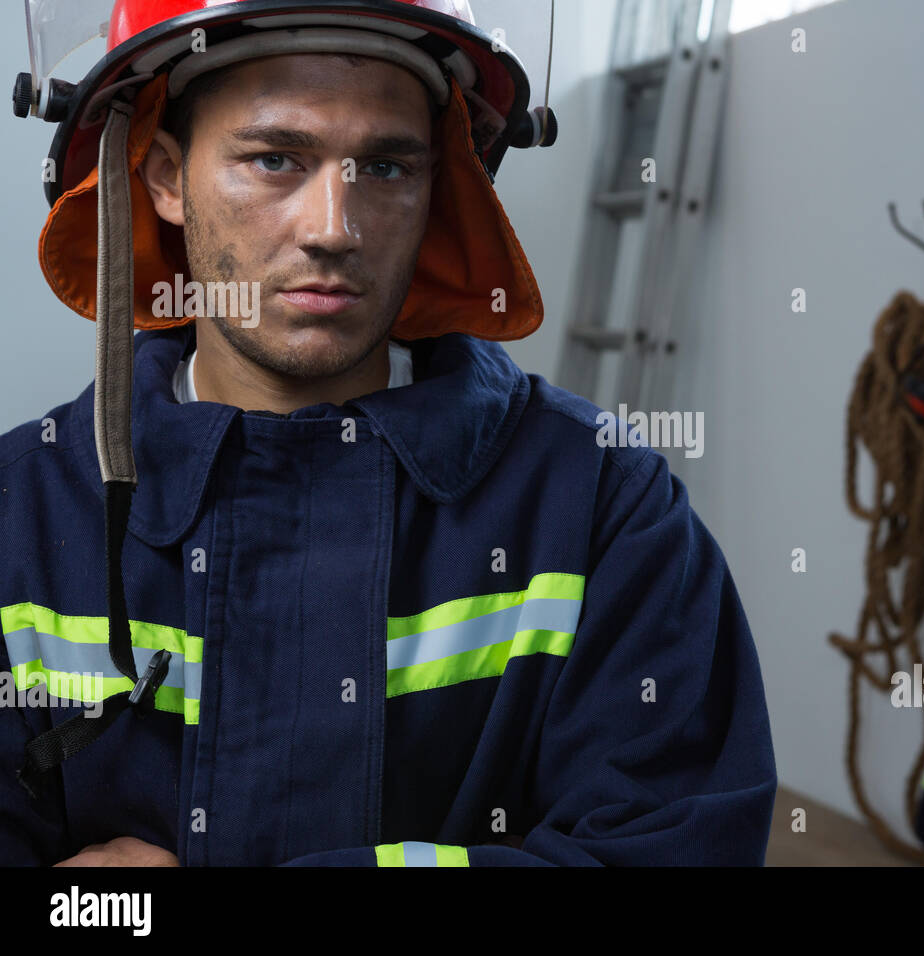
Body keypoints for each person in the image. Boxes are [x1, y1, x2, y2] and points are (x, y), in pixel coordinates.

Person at [0, 0, 776, 866]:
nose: (335, 227)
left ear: (439, 184)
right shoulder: (22, 512)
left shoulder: (604, 508)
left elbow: (672, 846)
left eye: (386, 167)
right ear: (166, 178)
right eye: (275, 158)